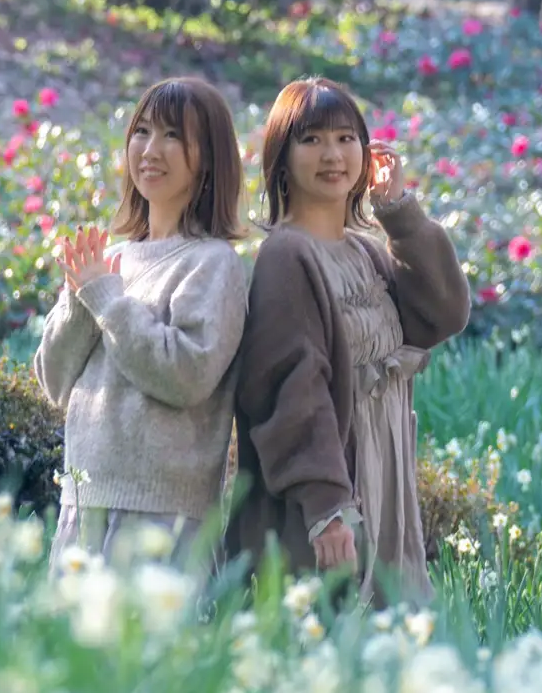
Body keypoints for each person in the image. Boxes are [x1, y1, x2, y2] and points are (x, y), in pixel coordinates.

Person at [228, 76, 472, 603]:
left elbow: (444, 314)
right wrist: (327, 506)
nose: (332, 154)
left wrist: (399, 213)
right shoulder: (287, 257)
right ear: (282, 156)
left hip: (387, 475)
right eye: (312, 139)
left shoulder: (364, 251)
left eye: (345, 138)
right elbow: (291, 391)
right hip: (337, 489)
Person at [34, 74, 249, 569]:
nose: (152, 149)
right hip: (84, 505)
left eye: (174, 135)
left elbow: (186, 375)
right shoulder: (110, 259)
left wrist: (105, 299)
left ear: (210, 158)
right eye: (143, 131)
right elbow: (54, 379)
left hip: (164, 520)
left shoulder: (213, 264)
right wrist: (81, 296)